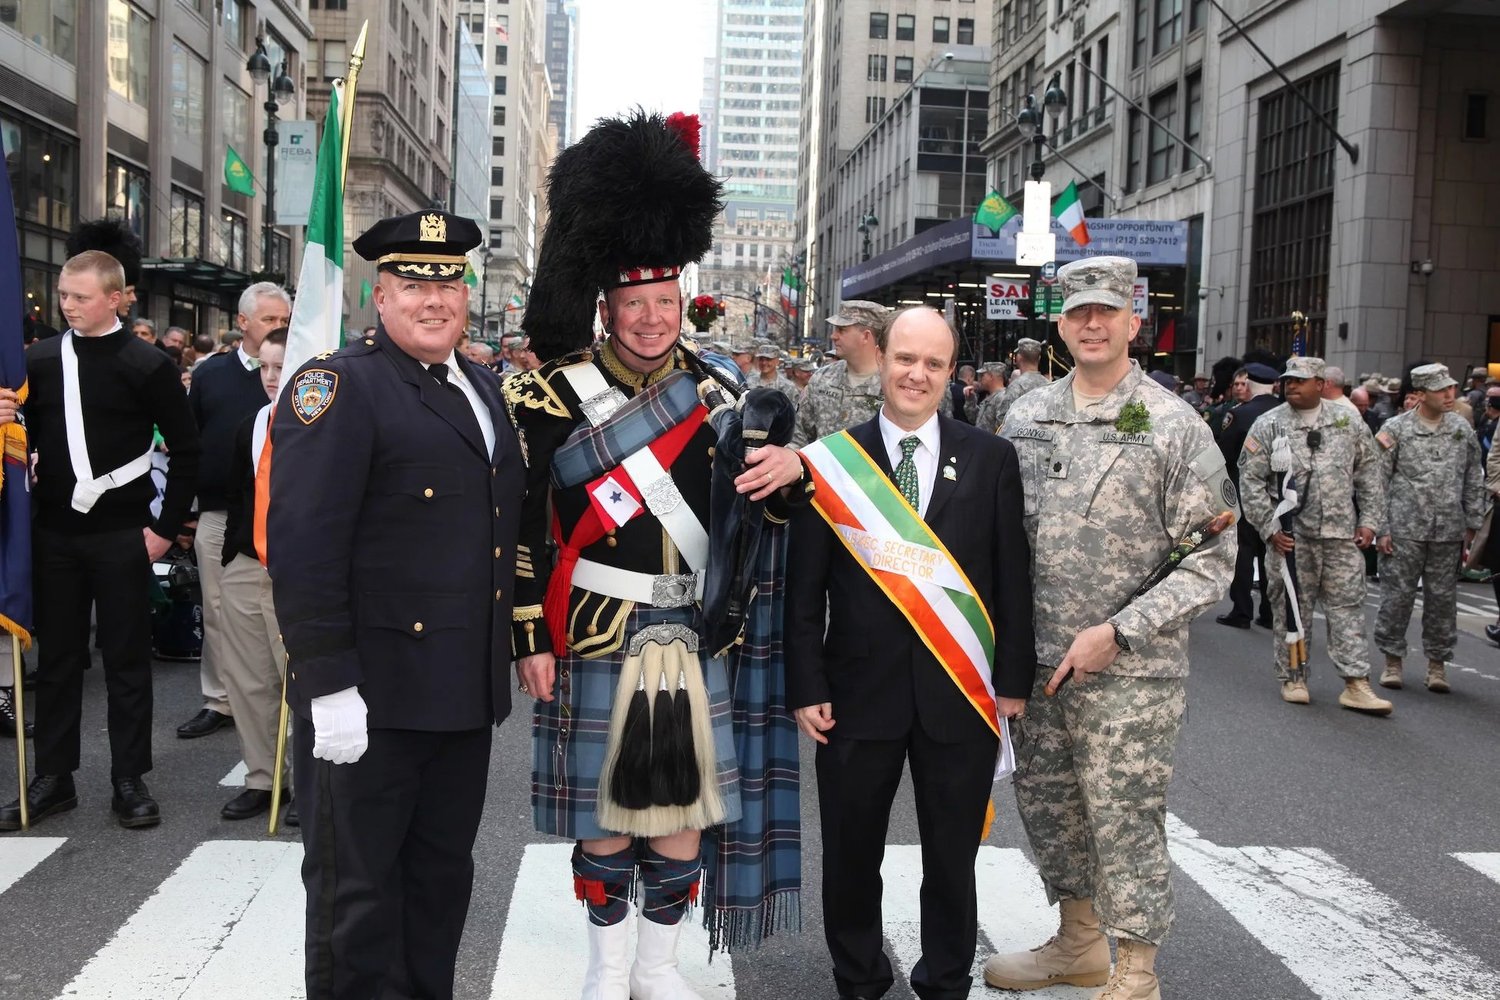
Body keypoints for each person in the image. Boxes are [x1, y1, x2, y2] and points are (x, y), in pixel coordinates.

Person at [508, 110, 806, 1000]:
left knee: (683, 810)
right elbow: (524, 525)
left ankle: (657, 967)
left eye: (663, 304)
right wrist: (530, 633)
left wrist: (791, 480)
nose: (647, 319)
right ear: (608, 307)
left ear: (684, 303)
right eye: (632, 304)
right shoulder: (549, 396)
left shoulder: (723, 394)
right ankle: (605, 968)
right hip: (594, 620)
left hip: (694, 624)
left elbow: (767, 515)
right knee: (602, 814)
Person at [266, 210, 523, 999]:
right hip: (370, 697)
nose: (434, 300)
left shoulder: (479, 384)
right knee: (358, 900)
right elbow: (305, 549)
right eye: (414, 284)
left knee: (438, 890)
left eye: (448, 282)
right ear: (380, 295)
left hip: (457, 696)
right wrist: (328, 685)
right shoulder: (338, 387)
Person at [988, 256, 1236, 1000]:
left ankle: (1137, 967)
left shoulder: (1173, 425)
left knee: (1124, 814)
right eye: (1078, 312)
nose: (1092, 324)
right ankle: (1078, 943)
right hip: (1036, 665)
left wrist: (1119, 632)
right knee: (1052, 806)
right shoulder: (1025, 416)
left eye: (1108, 312)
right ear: (1060, 323)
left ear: (1136, 323)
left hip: (1131, 671)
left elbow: (1212, 559)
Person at [788, 306, 1035, 1000]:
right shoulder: (833, 462)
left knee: (952, 858)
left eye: (932, 363)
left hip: (960, 692)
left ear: (950, 372)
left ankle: (945, 980)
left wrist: (1011, 681)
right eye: (905, 358)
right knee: (852, 855)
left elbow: (1011, 575)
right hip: (855, 695)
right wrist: (806, 684)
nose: (916, 374)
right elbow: (803, 593)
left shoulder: (990, 459)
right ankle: (859, 979)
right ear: (882, 359)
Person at [0, 251, 201, 831]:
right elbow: (22, 441)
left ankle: (128, 778)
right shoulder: (37, 360)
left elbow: (186, 453)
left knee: (127, 661)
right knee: (59, 662)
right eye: (63, 294)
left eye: (80, 296)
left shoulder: (148, 365)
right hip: (54, 536)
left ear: (117, 297)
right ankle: (53, 778)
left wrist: (164, 531)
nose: (67, 305)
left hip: (123, 535)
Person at [1237, 356, 1393, 714]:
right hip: (1293, 539)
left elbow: (1369, 475)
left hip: (1340, 537)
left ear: (1321, 385)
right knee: (1292, 607)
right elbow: (1251, 483)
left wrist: (1370, 522)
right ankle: (1294, 676)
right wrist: (1269, 528)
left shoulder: (1347, 421)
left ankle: (1356, 683)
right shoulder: (1269, 424)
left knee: (1348, 610)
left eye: (1301, 381)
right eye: (1288, 380)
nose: (1292, 385)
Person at [179, 282, 292, 740]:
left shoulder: (303, 377)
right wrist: (185, 512)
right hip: (221, 514)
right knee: (220, 611)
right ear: (243, 323)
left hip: (278, 524)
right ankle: (220, 699)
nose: (280, 326)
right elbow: (190, 440)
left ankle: (285, 732)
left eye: (285, 319)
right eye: (270, 320)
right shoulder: (211, 374)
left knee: (276, 625)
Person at [214, 326, 292, 822]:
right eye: (263, 366)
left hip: (298, 569)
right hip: (247, 563)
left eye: (280, 367)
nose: (269, 377)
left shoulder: (331, 423)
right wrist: (231, 558)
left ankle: (308, 778)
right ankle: (264, 778)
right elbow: (238, 494)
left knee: (300, 678)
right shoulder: (253, 423)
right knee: (247, 679)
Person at [1373, 364, 1485, 693]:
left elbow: (1472, 477)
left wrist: (1473, 522)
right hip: (1404, 527)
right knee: (1397, 597)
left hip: (1448, 530)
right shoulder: (1395, 429)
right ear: (1421, 395)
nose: (1450, 395)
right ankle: (1392, 659)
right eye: (1441, 390)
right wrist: (1381, 527)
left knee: (1442, 600)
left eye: (1452, 389)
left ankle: (1437, 664)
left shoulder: (1461, 429)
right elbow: (1376, 482)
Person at [1215, 363, 1282, 629]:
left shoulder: (1240, 415)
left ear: (1250, 385)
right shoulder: (1285, 414)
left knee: (1243, 552)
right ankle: (1269, 611)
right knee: (1270, 553)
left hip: (1244, 490)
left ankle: (1241, 610)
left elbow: (1224, 453)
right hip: (1278, 496)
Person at [792, 301, 889, 447]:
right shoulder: (822, 378)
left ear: (865, 336)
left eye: (841, 330)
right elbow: (799, 437)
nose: (833, 336)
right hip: (820, 469)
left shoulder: (893, 384)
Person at [986, 336, 1047, 433]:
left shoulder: (1017, 386)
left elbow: (1003, 421)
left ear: (1019, 357)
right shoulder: (1048, 385)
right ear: (1039, 358)